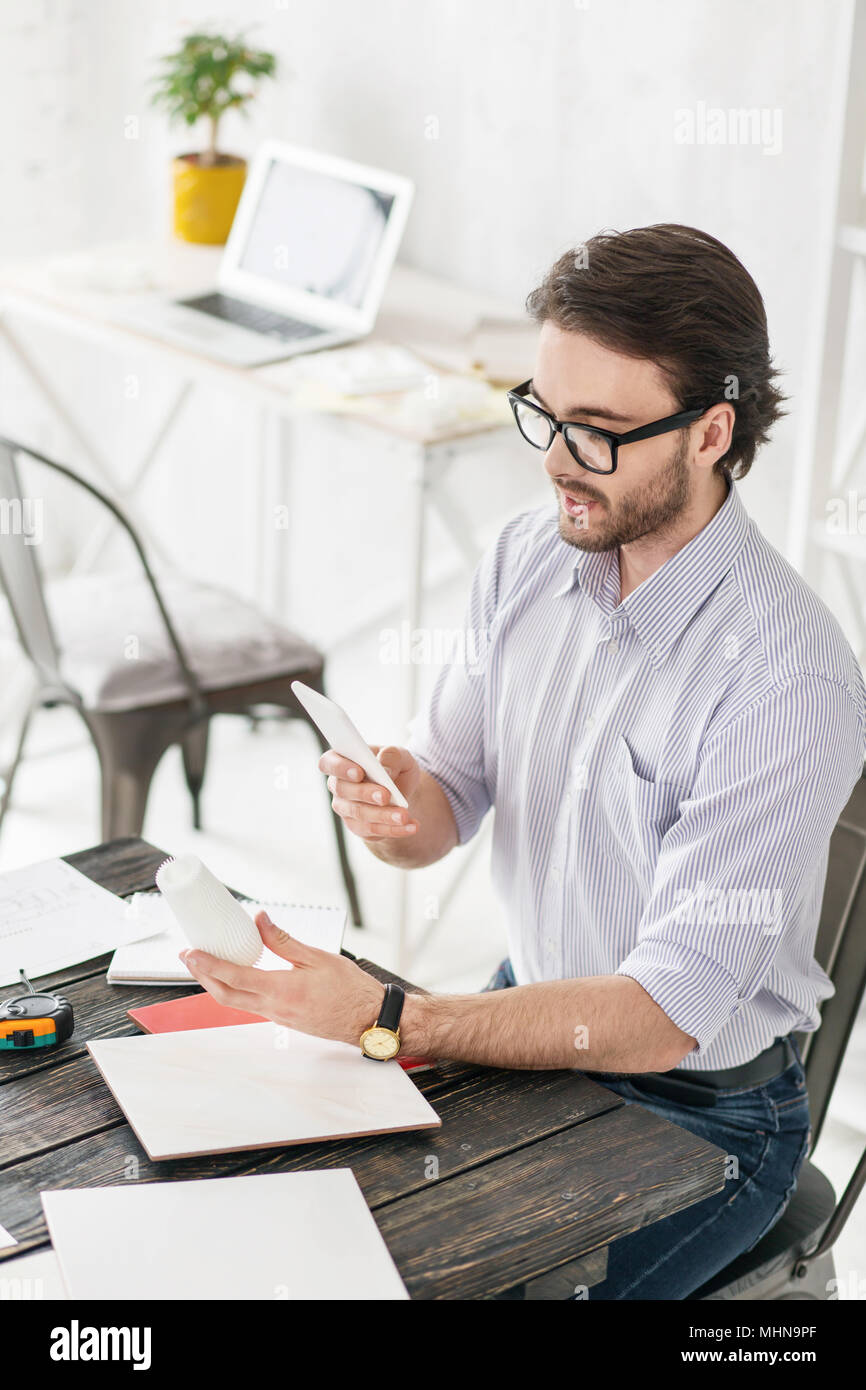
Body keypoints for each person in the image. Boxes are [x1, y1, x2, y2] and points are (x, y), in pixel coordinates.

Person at [182, 224, 866, 1299]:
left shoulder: (788, 681)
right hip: (531, 1018)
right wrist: (404, 811)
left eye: (594, 431)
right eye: (543, 413)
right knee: (296, 1238)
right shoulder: (524, 556)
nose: (553, 458)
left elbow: (659, 1012)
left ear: (709, 432)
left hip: (703, 1112)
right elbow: (447, 797)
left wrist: (393, 1014)